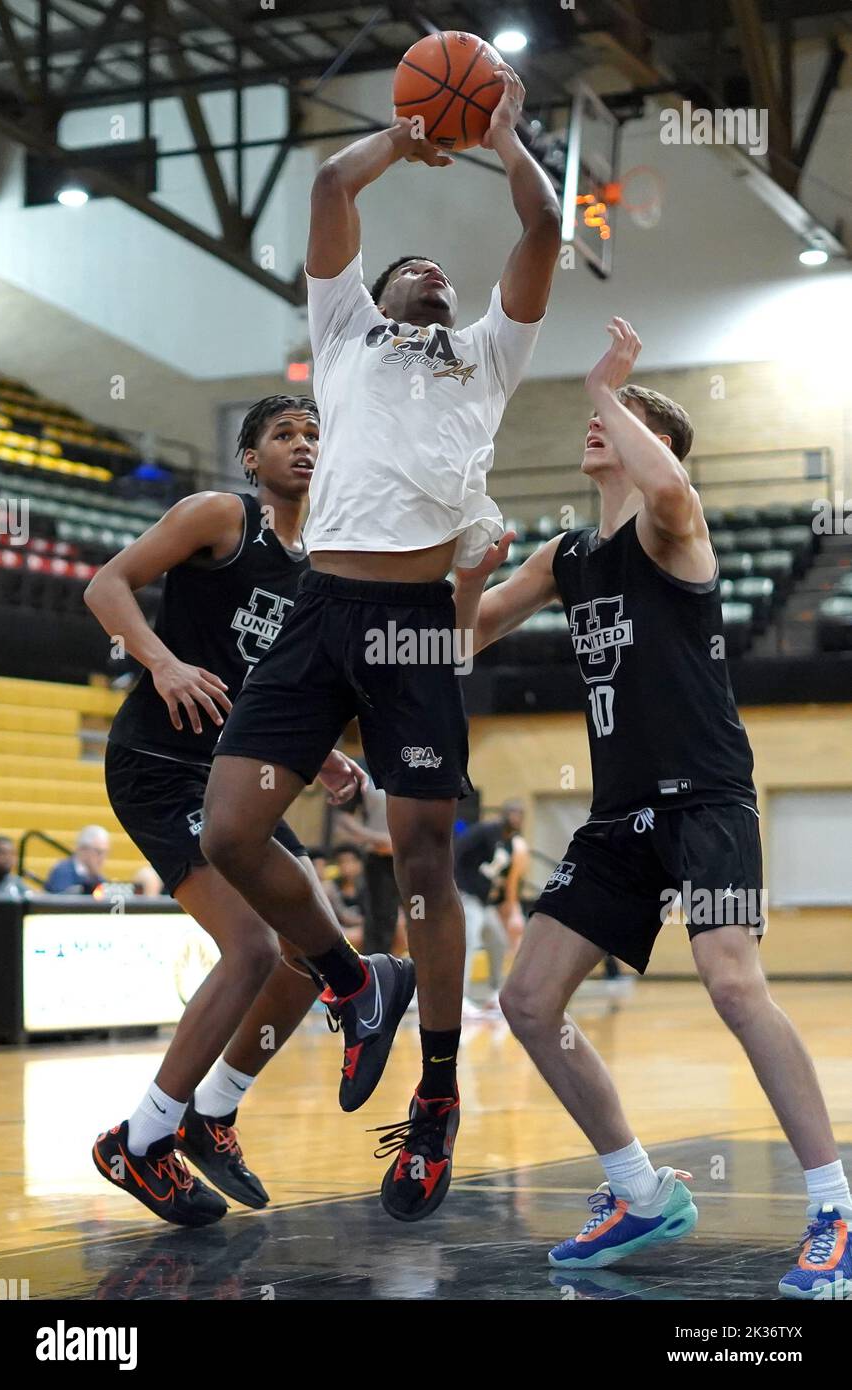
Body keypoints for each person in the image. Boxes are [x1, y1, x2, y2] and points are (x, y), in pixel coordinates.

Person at [201, 63, 561, 1222]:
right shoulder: (344, 327)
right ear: (375, 289)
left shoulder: (485, 354)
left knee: (420, 862)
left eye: (438, 272)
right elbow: (320, 185)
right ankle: (359, 982)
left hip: (411, 629)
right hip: (321, 614)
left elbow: (544, 225)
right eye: (408, 262)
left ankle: (441, 1095)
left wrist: (504, 142)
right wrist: (399, 144)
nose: (425, 270)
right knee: (230, 830)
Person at [455, 318, 851, 1297]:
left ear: (650, 441)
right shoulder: (566, 556)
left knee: (728, 983)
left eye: (622, 422)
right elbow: (463, 637)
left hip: (704, 799)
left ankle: (832, 1206)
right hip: (617, 814)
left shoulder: (670, 524)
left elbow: (667, 486)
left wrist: (605, 388)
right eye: (602, 417)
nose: (599, 428)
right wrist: (467, 564)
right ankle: (635, 1188)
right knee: (526, 1000)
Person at [83, 394, 413, 1228]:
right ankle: (140, 1138)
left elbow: (266, 684)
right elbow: (105, 584)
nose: (304, 445)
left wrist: (329, 754)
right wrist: (160, 664)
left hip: (237, 773)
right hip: (160, 763)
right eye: (284, 435)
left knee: (308, 947)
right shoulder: (219, 518)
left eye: (314, 435)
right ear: (250, 458)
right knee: (254, 946)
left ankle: (212, 1112)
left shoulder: (319, 567)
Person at [455, 801, 528, 1016]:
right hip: (467, 896)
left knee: (498, 940)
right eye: (513, 813)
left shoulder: (509, 844)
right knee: (470, 941)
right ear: (503, 814)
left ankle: (494, 993)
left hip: (484, 902)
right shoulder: (484, 831)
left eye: (520, 815)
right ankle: (460, 999)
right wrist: (457, 886)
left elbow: (502, 878)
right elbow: (457, 851)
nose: (516, 819)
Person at [334, 773, 400, 955]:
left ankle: (416, 974)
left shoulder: (422, 761)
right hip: (380, 857)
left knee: (420, 917)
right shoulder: (364, 773)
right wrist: (376, 838)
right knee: (380, 920)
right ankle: (378, 973)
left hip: (416, 856)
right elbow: (342, 819)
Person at [44, 826, 109, 894]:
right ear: (83, 849)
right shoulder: (63, 872)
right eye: (98, 852)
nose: (102, 858)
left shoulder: (98, 879)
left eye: (105, 853)